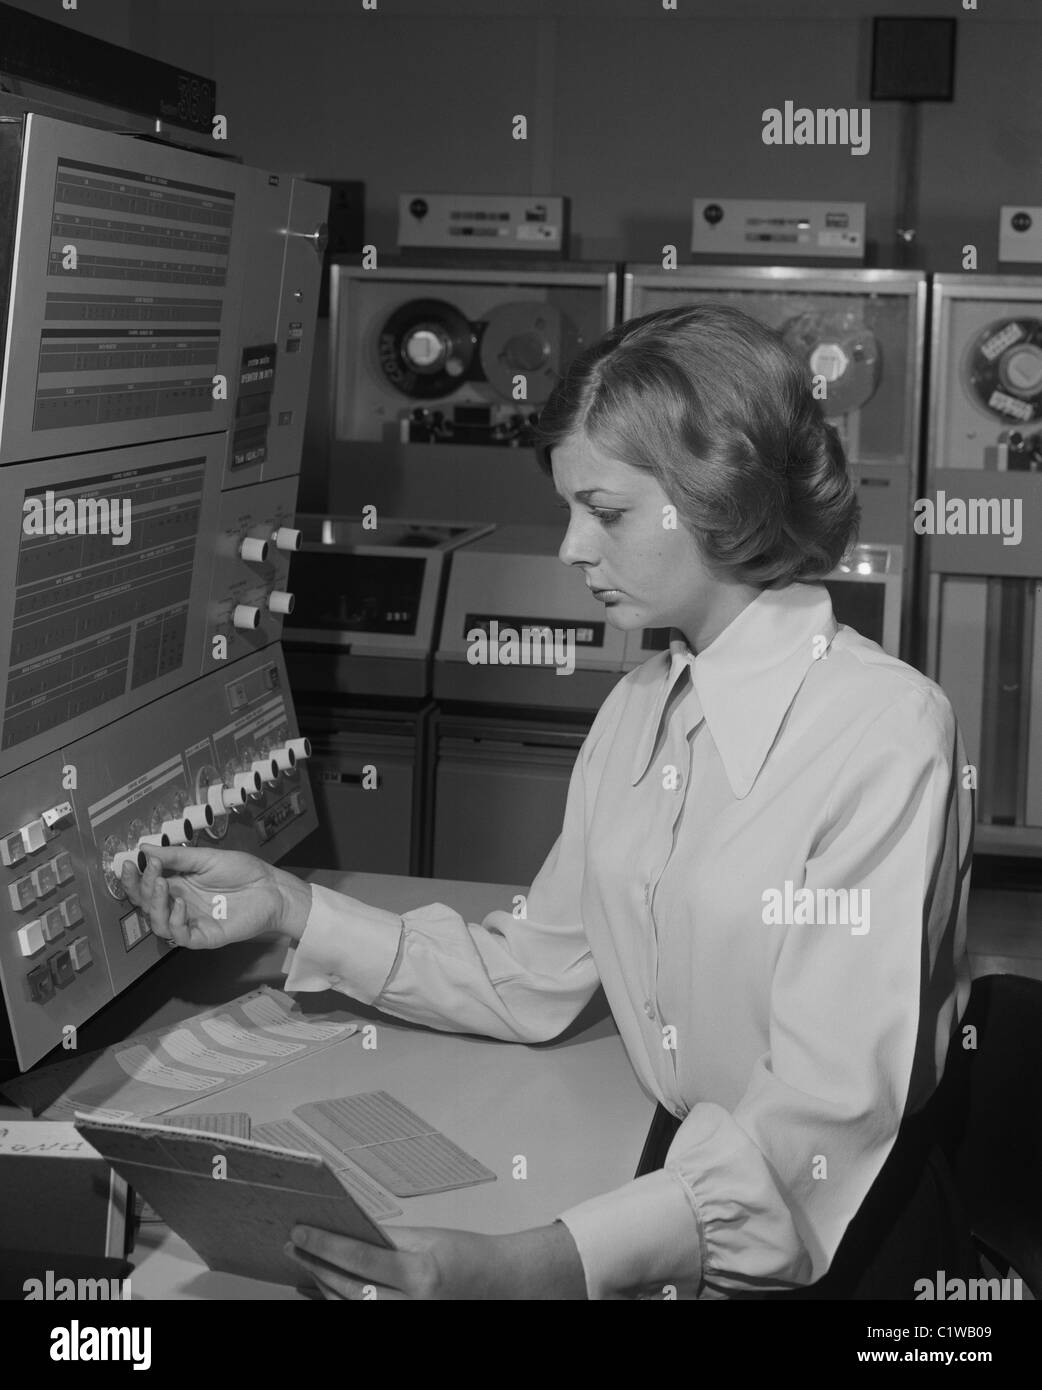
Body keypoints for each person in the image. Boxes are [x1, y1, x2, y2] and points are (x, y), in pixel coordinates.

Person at [122, 304, 977, 1301]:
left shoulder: (883, 731)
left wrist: (527, 1265)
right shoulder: (639, 705)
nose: (571, 547)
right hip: (684, 1177)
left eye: (605, 511)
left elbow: (816, 1132)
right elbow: (535, 972)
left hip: (836, 1241)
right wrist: (290, 907)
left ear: (721, 492)